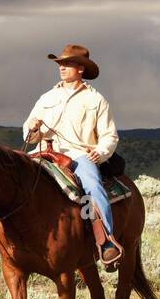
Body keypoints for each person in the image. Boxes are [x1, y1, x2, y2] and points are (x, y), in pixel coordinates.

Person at [22, 44, 123, 266]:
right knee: (11, 174)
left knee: (92, 186)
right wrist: (33, 127)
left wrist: (100, 152)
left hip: (78, 155)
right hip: (44, 151)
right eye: (60, 64)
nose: (62, 67)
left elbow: (109, 136)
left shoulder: (96, 100)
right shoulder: (46, 97)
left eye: (67, 64)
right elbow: (29, 136)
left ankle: (106, 241)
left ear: (81, 69)